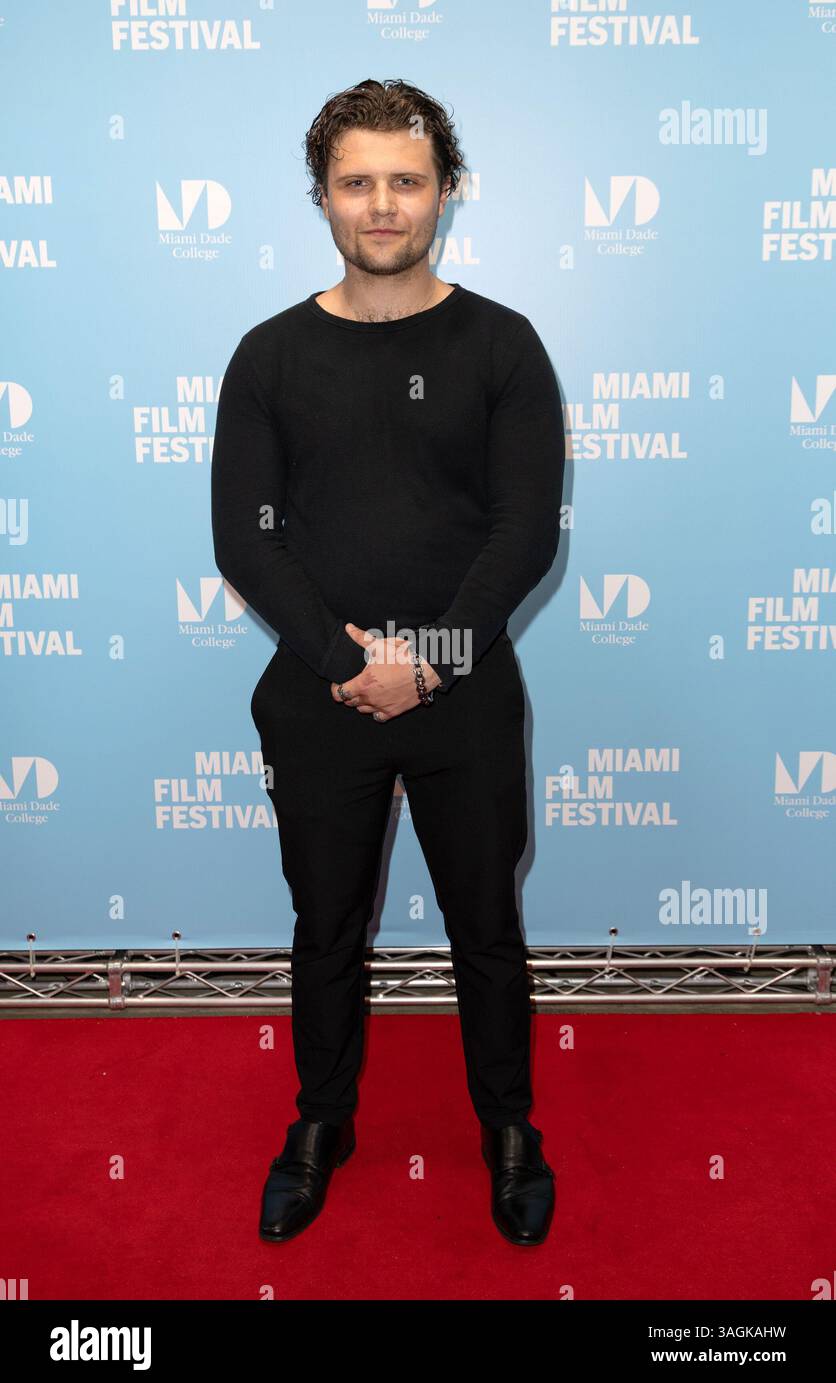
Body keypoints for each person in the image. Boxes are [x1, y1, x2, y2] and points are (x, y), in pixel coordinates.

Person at [210, 78, 566, 1247]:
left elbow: (522, 533)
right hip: (318, 697)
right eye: (355, 181)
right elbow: (244, 538)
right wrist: (343, 661)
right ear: (321, 195)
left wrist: (431, 663)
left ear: (445, 191)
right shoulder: (266, 355)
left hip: (459, 699)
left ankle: (508, 1128)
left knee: (485, 926)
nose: (380, 204)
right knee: (325, 925)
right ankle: (320, 1123)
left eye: (403, 180)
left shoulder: (503, 345)